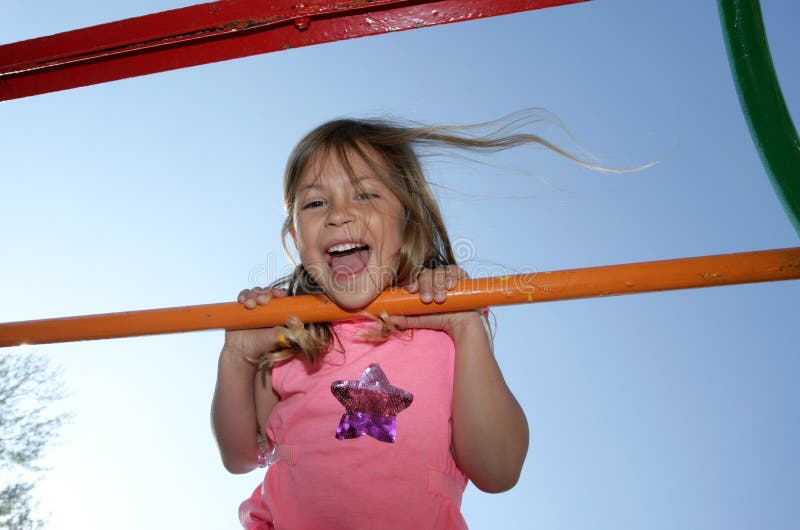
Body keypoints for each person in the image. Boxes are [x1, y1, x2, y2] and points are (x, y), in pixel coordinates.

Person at [211, 115, 538, 529]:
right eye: (315, 203)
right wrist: (236, 357)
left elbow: (500, 470)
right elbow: (241, 457)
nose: (338, 215)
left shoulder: (444, 330)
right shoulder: (294, 339)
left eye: (365, 195)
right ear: (296, 238)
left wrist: (466, 328)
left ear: (407, 222)